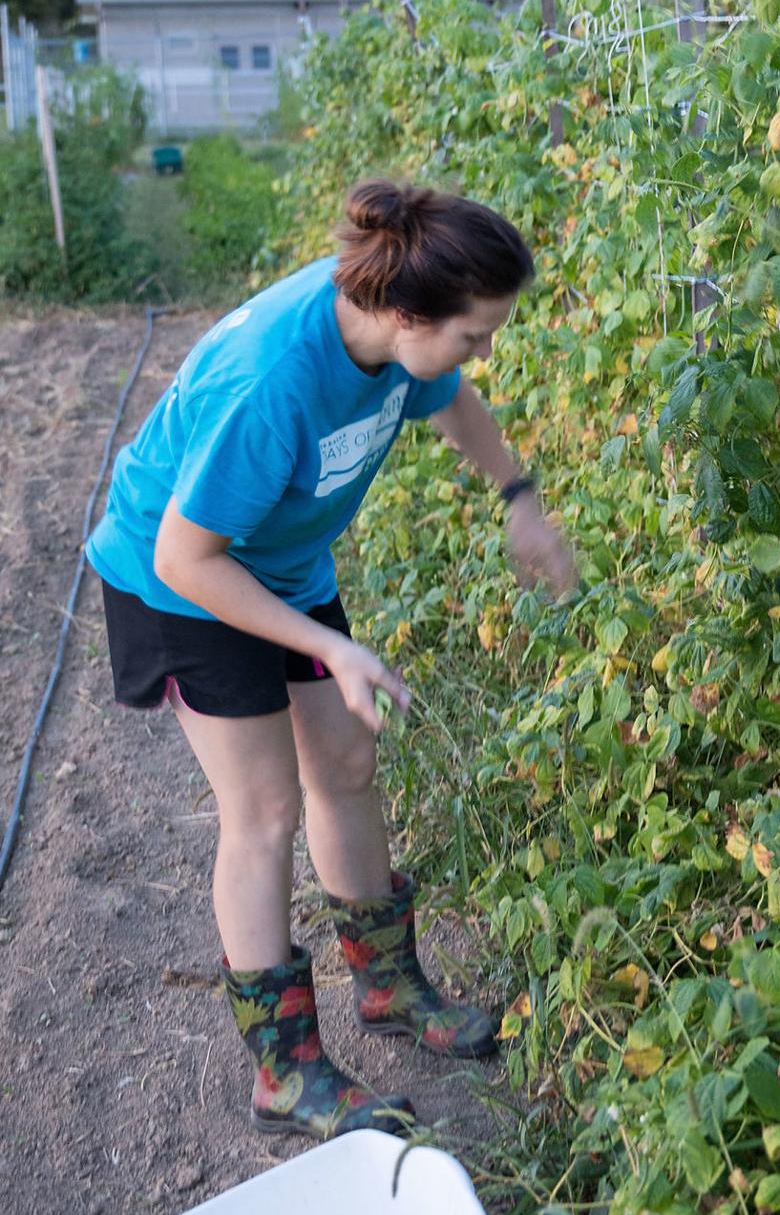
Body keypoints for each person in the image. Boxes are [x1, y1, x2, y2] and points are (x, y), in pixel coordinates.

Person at [85, 179, 577, 1143]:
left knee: (346, 763)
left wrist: (520, 497)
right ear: (407, 313)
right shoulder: (271, 377)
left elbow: (453, 400)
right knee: (262, 810)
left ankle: (389, 989)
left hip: (276, 563)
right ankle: (285, 1069)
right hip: (178, 578)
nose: (481, 350)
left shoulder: (398, 329)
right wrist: (327, 645)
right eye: (475, 333)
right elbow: (185, 557)